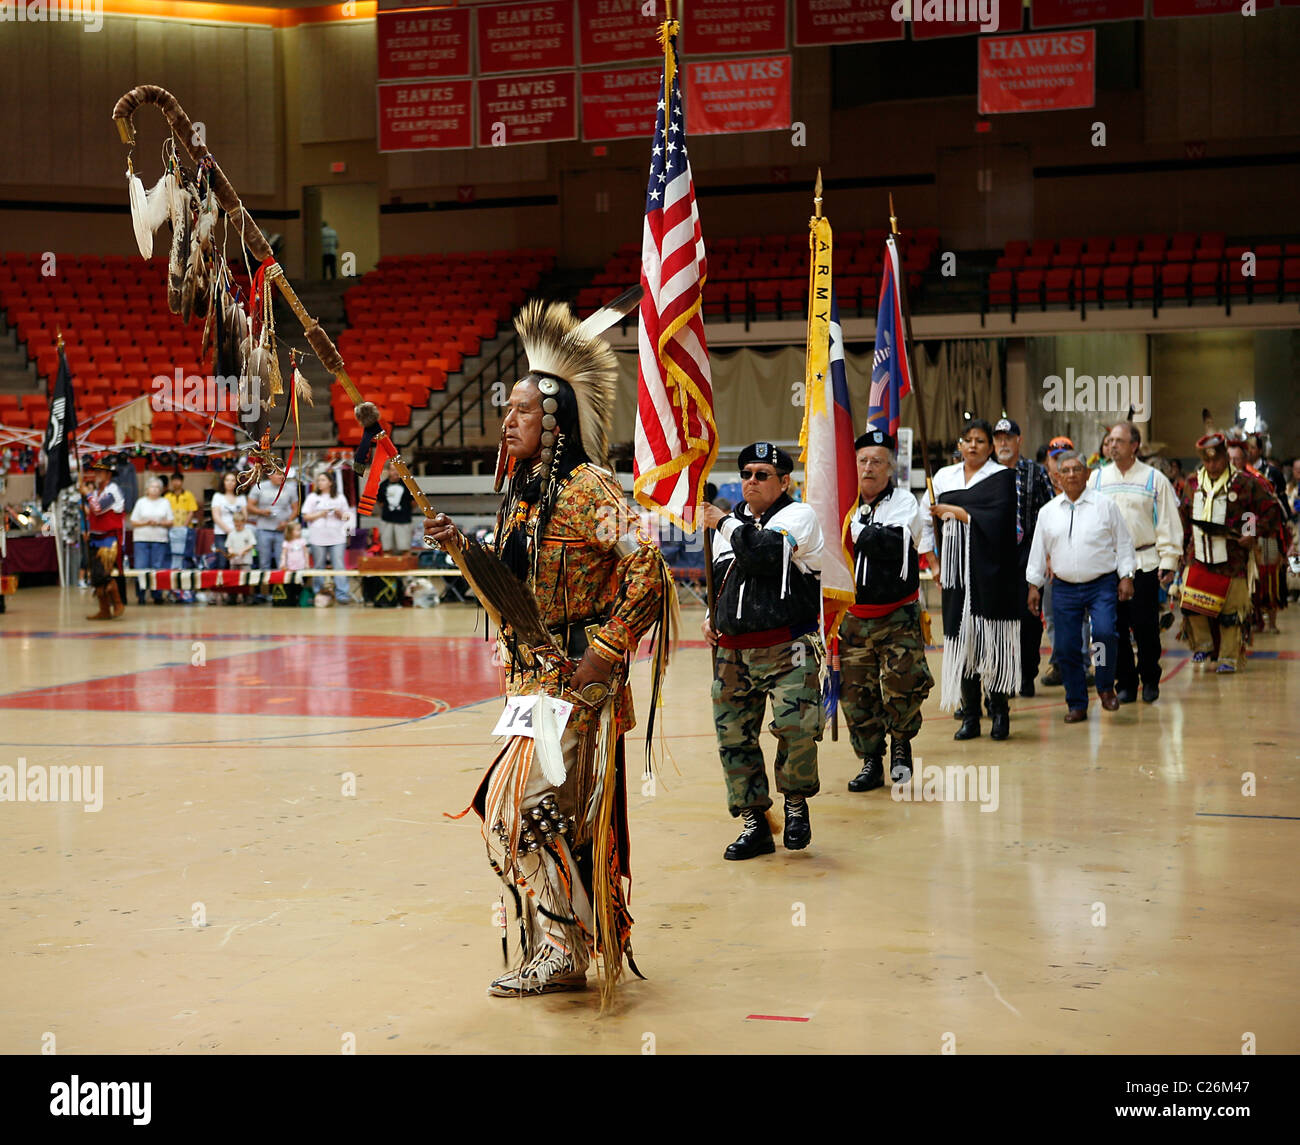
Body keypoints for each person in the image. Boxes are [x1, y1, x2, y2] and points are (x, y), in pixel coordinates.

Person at [424, 299, 673, 1003]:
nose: (509, 421)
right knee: (519, 814)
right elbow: (511, 596)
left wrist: (605, 650)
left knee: (524, 808)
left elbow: (646, 566)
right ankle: (569, 939)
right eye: (508, 409)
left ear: (555, 420)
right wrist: (461, 551)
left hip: (577, 686)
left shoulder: (588, 489)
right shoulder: (524, 497)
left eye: (524, 412)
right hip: (531, 686)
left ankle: (566, 949)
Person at [699, 442, 825, 859]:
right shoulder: (729, 524)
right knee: (733, 739)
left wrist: (724, 524)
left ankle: (795, 805)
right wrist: (711, 615)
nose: (750, 481)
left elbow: (766, 556)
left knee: (797, 729)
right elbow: (723, 577)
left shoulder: (798, 516)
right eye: (746, 474)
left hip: (787, 644)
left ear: (785, 481)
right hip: (733, 650)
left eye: (762, 475)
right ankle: (755, 824)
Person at [838, 429, 933, 794]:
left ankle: (901, 748)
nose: (868, 468)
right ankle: (870, 761)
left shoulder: (905, 502)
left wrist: (852, 531)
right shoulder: (841, 503)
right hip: (853, 617)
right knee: (857, 695)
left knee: (902, 688)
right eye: (862, 460)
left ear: (890, 468)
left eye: (877, 461)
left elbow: (892, 543)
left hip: (897, 617)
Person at [920, 419, 1020, 741]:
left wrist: (958, 512)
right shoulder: (943, 477)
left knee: (992, 638)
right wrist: (933, 562)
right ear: (960, 446)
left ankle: (1000, 711)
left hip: (993, 569)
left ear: (990, 447)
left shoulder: (1002, 477)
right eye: (968, 439)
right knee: (961, 640)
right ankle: (970, 716)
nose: (973, 445)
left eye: (980, 440)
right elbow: (925, 517)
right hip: (954, 568)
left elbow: (1001, 520)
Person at [1027, 450, 1136, 722]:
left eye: (1077, 469)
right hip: (1063, 588)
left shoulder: (1105, 506)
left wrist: (1126, 575)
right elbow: (1038, 552)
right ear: (1057, 477)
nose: (1072, 474)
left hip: (1101, 584)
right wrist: (1033, 585)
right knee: (1066, 647)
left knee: (1104, 635)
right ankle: (1076, 702)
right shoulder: (1048, 512)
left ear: (1087, 474)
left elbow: (1123, 542)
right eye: (1066, 470)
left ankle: (1104, 686)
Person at [1091, 422, 1183, 703]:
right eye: (1110, 441)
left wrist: (1168, 559)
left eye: (1119, 440)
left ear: (1134, 446)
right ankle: (1126, 682)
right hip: (1107, 565)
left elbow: (1168, 521)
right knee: (1112, 627)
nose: (1113, 445)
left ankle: (1150, 678)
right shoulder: (1095, 480)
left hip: (1144, 562)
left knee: (1145, 627)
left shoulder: (1154, 480)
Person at [1178, 431, 1271, 674]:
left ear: (1225, 457)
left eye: (1216, 460)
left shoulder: (1244, 483)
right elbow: (1184, 519)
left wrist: (1251, 531)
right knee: (1189, 603)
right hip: (1198, 555)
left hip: (1233, 558)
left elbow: (1265, 510)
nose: (1212, 465)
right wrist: (1180, 548)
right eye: (1207, 461)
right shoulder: (1192, 483)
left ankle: (1228, 657)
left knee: (1232, 614)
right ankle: (1204, 645)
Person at [993, 417, 1055, 698]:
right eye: (998, 438)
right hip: (994, 555)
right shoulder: (986, 472)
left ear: (1019, 440)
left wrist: (1051, 553)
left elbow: (1052, 512)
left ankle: (1028, 672)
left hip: (1029, 553)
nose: (1003, 442)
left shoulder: (1035, 471)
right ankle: (1003, 675)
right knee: (998, 618)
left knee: (1028, 616)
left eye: (1008, 437)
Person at [81, 456, 126, 620]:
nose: (97, 474)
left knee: (104, 574)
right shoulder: (96, 492)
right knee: (96, 576)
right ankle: (104, 610)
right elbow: (92, 513)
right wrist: (88, 529)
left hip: (109, 539)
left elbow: (98, 508)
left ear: (108, 474)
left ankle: (118, 602)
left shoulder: (113, 490)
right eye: (96, 471)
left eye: (100, 471)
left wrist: (87, 495)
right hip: (96, 537)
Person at [301, 470, 353, 604]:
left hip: (337, 537)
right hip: (318, 537)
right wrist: (320, 514)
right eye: (318, 480)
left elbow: (348, 517)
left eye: (323, 480)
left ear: (330, 482)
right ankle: (319, 592)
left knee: (339, 565)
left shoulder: (339, 497)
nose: (320, 483)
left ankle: (342, 594)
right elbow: (305, 516)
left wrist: (339, 513)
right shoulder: (312, 497)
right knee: (319, 565)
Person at [129, 476, 173, 604]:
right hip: (141, 539)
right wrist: (146, 522)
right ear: (147, 489)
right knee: (140, 567)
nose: (154, 489)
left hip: (159, 539)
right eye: (152, 487)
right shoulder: (141, 502)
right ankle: (141, 595)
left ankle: (157, 595)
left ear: (161, 490)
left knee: (157, 568)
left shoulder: (165, 502)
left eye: (157, 487)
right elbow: (133, 521)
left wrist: (159, 522)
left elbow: (171, 521)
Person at [247, 469, 299, 576]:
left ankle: (281, 590)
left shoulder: (290, 489)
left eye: (282, 474)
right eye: (278, 474)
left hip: (282, 530)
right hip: (263, 529)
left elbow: (296, 509)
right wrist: (261, 511)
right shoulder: (259, 486)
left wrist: (287, 522)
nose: (281, 477)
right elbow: (249, 506)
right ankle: (264, 592)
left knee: (282, 562)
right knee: (264, 562)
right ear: (270, 476)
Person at [376, 461, 415, 556]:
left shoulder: (408, 485)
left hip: (404, 520)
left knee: (405, 548)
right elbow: (380, 502)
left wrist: (406, 511)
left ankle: (407, 568)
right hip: (387, 520)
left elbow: (414, 502)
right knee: (387, 548)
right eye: (393, 470)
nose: (395, 472)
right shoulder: (383, 485)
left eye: (398, 470)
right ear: (388, 471)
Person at [210, 470, 246, 570]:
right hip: (221, 533)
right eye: (227, 480)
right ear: (223, 482)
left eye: (233, 480)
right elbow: (216, 516)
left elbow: (245, 517)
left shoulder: (241, 498)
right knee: (222, 562)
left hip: (238, 534)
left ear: (237, 482)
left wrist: (236, 530)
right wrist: (229, 530)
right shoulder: (217, 496)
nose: (230, 483)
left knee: (237, 563)